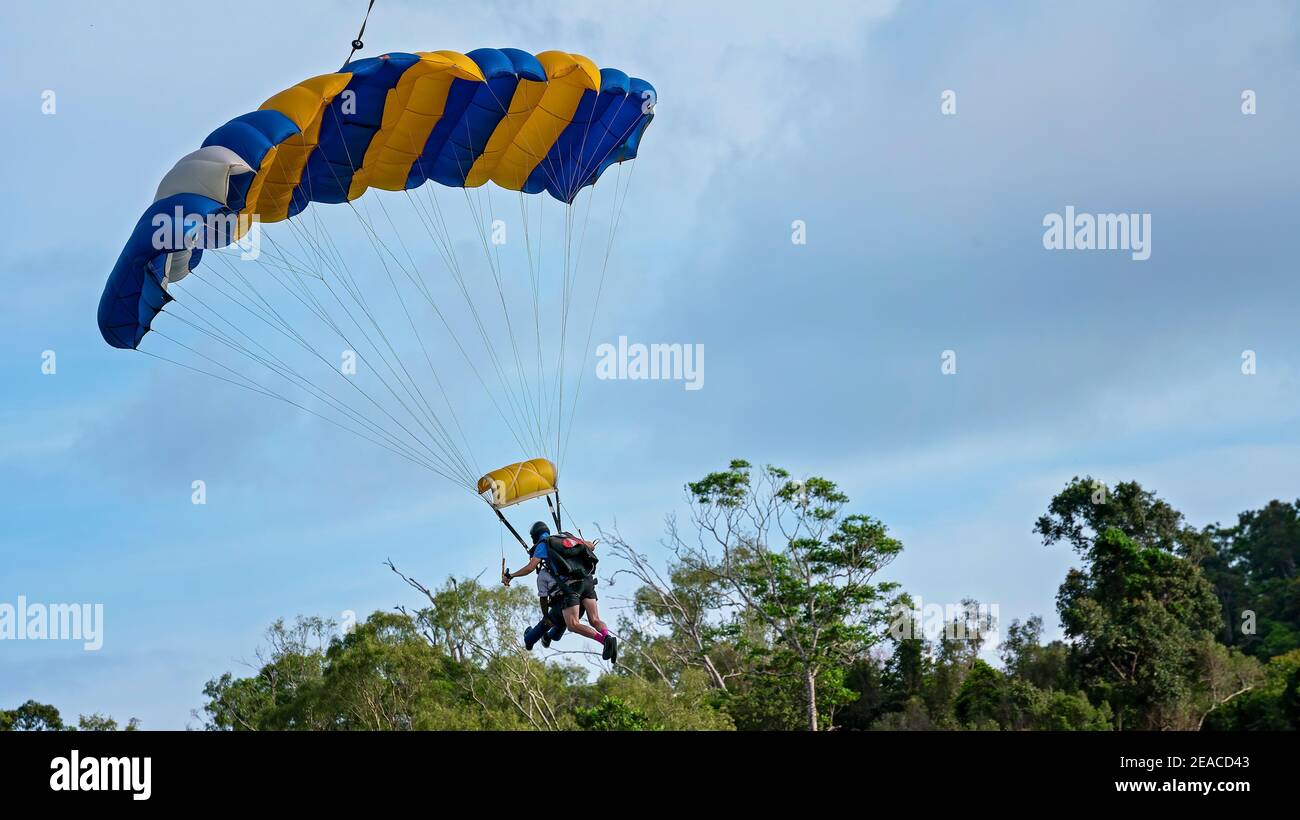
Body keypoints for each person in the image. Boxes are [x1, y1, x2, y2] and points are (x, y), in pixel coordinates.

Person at [503, 521, 617, 662]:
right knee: (595, 619)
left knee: (573, 624)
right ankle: (607, 636)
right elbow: (591, 546)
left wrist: (511, 575)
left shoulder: (543, 545)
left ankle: (603, 641)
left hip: (571, 588)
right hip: (587, 580)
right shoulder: (564, 537)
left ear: (534, 537)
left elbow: (530, 567)